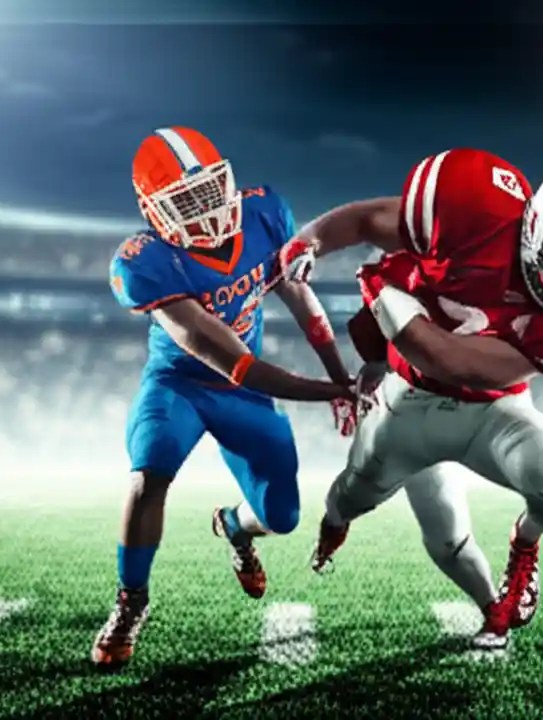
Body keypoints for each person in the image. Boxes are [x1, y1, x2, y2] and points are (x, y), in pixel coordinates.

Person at [281, 148, 543, 649]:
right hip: (405, 404)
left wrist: (394, 312)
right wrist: (309, 241)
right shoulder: (475, 204)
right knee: (360, 499)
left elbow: (457, 364)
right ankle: (333, 528)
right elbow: (366, 220)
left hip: (494, 410)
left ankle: (522, 551)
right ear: (539, 222)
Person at [92, 126, 355, 669]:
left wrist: (340, 374)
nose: (206, 209)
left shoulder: (263, 215)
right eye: (185, 202)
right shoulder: (145, 262)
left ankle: (234, 526)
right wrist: (333, 389)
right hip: (182, 385)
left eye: (210, 191)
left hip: (242, 395)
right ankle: (131, 601)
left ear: (227, 181)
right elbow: (239, 365)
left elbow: (301, 302)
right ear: (154, 212)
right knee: (148, 476)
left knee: (281, 517)